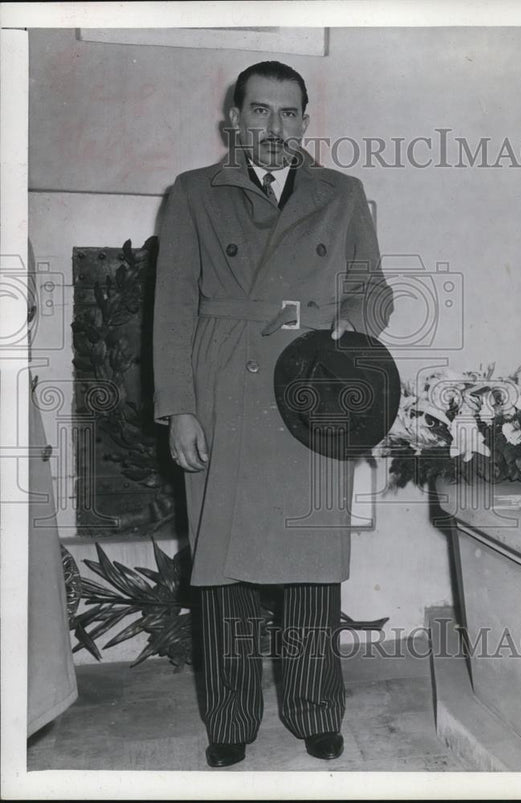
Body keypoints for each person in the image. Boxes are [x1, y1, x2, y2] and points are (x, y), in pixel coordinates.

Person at [153, 60, 392, 768]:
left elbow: (374, 289)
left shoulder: (343, 194)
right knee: (222, 571)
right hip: (225, 385)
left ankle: (315, 709)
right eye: (259, 112)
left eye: (289, 114)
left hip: (313, 390)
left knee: (313, 566)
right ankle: (228, 719)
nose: (274, 128)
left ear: (305, 122)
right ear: (234, 119)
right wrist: (180, 411)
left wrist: (351, 321)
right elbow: (170, 311)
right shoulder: (195, 193)